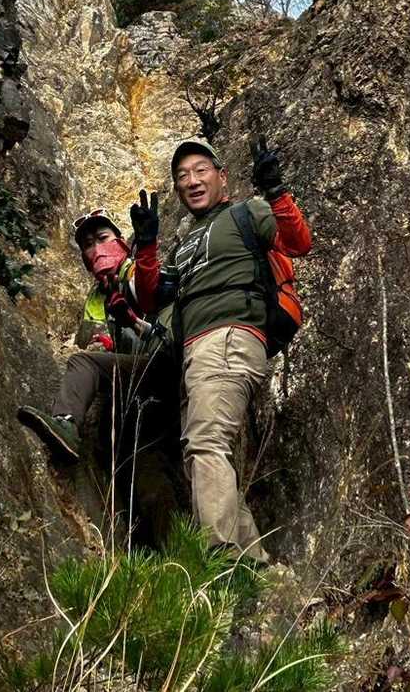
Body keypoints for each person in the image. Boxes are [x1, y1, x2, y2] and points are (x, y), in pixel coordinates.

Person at [134, 136, 311, 561]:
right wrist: (146, 247)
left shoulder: (245, 212)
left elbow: (298, 242)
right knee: (214, 456)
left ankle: (218, 556)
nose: (192, 181)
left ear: (221, 176)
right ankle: (252, 564)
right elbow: (149, 299)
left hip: (229, 337)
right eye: (182, 176)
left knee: (206, 443)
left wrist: (275, 191)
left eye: (200, 170)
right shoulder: (185, 244)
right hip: (194, 354)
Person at [16, 202, 165, 462]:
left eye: (102, 238)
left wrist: (131, 322)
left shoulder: (137, 272)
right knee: (108, 447)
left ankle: (67, 423)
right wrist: (107, 343)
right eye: (87, 244)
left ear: (121, 244)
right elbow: (93, 340)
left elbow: (163, 323)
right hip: (134, 377)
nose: (95, 249)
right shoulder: (98, 298)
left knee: (83, 364)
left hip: (164, 364)